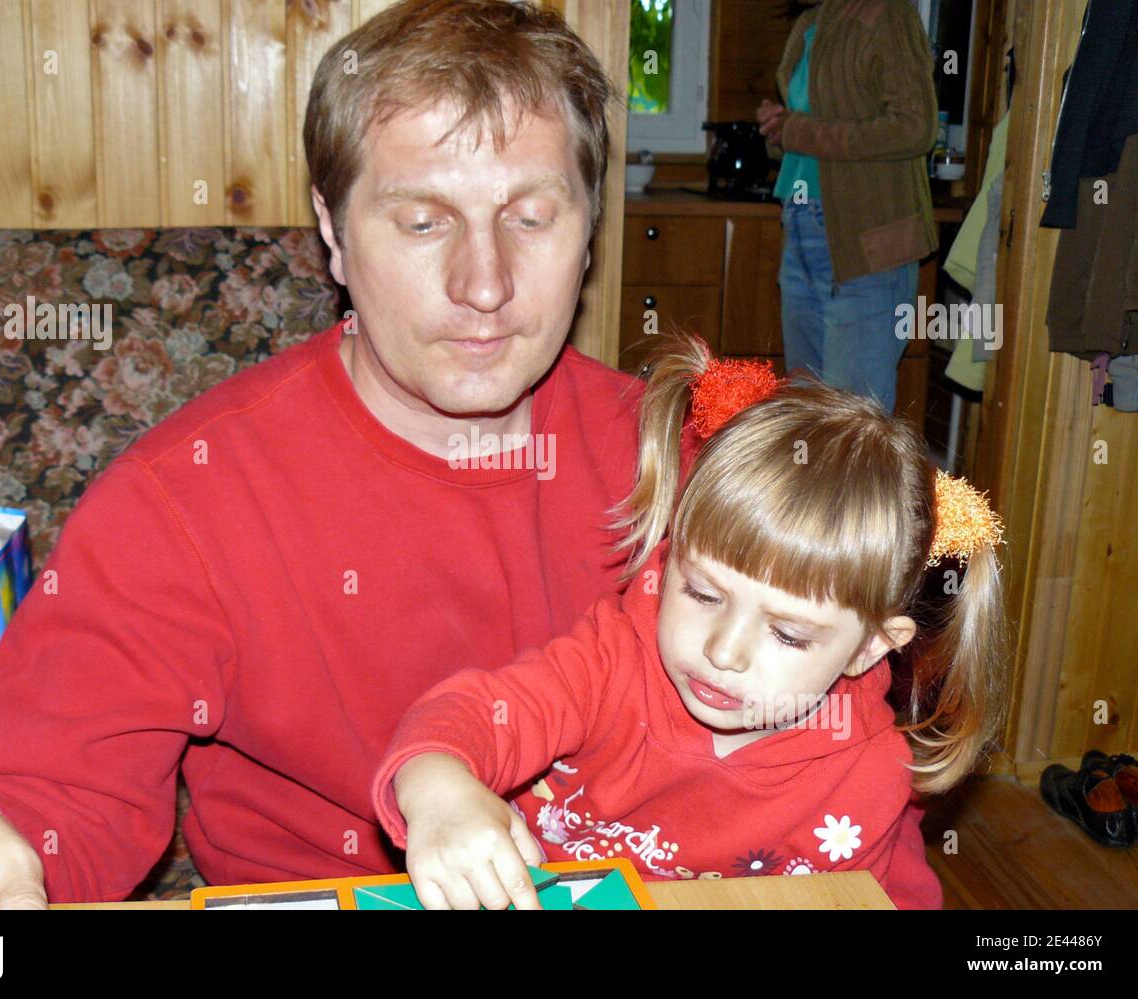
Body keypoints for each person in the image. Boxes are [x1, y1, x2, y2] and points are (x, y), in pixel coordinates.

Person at [0, 0, 643, 908]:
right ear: (334, 233)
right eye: (423, 223)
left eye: (532, 217)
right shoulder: (179, 501)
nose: (485, 285)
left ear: (590, 232)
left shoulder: (685, 457)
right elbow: (59, 792)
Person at [371, 335, 1009, 910]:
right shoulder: (610, 661)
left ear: (871, 647)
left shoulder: (872, 768)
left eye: (787, 633)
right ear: (669, 554)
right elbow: (470, 716)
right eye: (702, 594)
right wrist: (440, 792)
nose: (723, 651)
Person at [756, 0, 939, 412]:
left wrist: (798, 131)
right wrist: (779, 130)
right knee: (806, 414)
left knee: (853, 423)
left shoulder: (888, 12)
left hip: (866, 242)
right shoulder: (811, 21)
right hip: (802, 226)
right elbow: (815, 129)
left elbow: (916, 127)